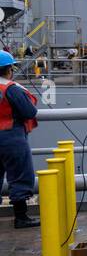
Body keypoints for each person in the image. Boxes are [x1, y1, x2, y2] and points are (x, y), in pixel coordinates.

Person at [0, 50, 39, 229]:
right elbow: (29, 112)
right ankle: (21, 217)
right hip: (11, 136)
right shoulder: (11, 89)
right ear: (9, 70)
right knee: (20, 176)